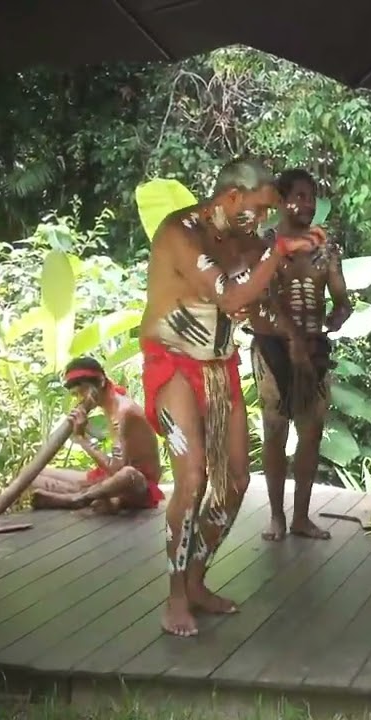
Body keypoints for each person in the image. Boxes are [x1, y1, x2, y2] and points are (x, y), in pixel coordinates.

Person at [138, 157, 324, 638]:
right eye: (260, 209)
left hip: (220, 367)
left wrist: (294, 337)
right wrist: (277, 253)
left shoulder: (250, 241)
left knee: (238, 479)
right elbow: (228, 297)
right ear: (233, 197)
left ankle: (196, 579)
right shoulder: (181, 232)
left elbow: (261, 299)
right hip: (173, 362)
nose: (263, 220)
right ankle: (175, 595)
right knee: (193, 476)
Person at [249, 169, 352, 542]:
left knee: (310, 434)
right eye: (300, 196)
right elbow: (258, 301)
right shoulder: (263, 246)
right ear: (281, 199)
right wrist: (289, 336)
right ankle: (276, 516)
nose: (307, 204)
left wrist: (339, 314)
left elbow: (342, 300)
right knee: (275, 430)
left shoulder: (326, 250)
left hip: (312, 348)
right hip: (272, 347)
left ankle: (301, 518)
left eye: (312, 197)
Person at [29, 357, 166, 514]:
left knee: (128, 474)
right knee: (35, 475)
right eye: (76, 395)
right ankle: (94, 495)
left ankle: (78, 499)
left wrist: (82, 438)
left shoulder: (124, 412)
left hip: (137, 486)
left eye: (82, 392)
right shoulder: (110, 406)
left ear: (100, 383)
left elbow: (117, 469)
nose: (80, 400)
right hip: (110, 479)